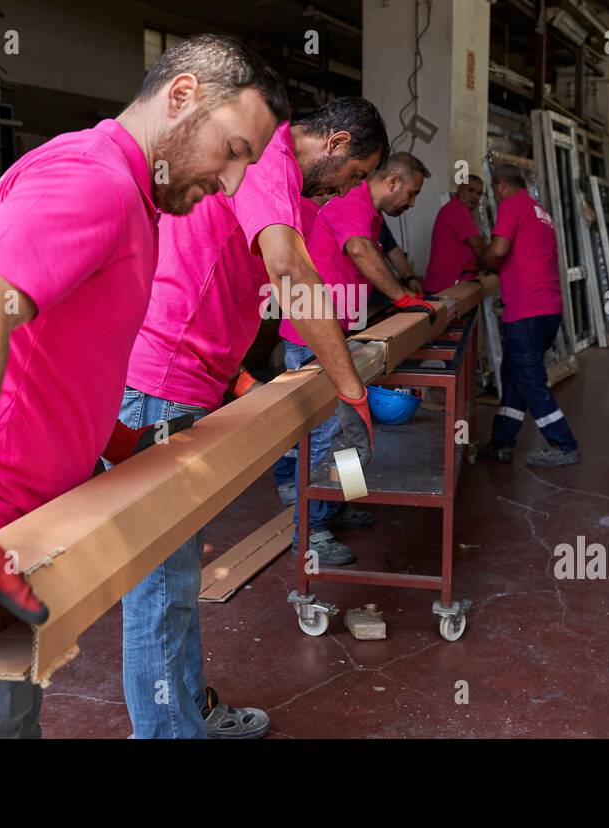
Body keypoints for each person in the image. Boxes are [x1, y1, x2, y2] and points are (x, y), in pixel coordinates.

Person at [0, 34, 291, 738]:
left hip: (13, 532)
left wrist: (119, 441)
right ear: (181, 96)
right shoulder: (96, 181)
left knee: (6, 723)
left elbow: (52, 353)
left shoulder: (138, 204)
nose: (233, 185)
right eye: (233, 150)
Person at [118, 96, 390, 739]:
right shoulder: (271, 155)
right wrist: (350, 387)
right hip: (162, 385)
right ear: (336, 141)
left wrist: (236, 376)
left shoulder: (280, 179)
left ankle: (187, 711)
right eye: (354, 175)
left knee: (176, 576)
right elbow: (292, 272)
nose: (347, 191)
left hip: (187, 380)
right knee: (159, 583)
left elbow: (228, 273)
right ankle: (166, 732)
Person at [277, 152, 434, 565]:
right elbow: (361, 250)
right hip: (314, 337)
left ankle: (337, 506)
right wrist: (403, 298)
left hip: (336, 333)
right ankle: (310, 533)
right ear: (395, 182)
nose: (412, 204)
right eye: (412, 193)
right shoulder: (352, 204)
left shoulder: (372, 214)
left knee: (347, 435)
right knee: (326, 438)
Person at [477, 164, 580, 467]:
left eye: (493, 191)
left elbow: (498, 250)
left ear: (501, 186)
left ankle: (564, 443)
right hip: (548, 310)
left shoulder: (512, 204)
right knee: (514, 376)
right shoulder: (541, 212)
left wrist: (481, 261)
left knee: (530, 379)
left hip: (527, 310)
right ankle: (502, 442)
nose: (494, 197)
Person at [423, 176, 487, 293]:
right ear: (459, 189)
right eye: (470, 190)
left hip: (452, 286)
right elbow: (478, 246)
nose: (474, 197)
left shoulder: (461, 211)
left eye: (479, 193)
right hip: (446, 288)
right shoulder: (456, 209)